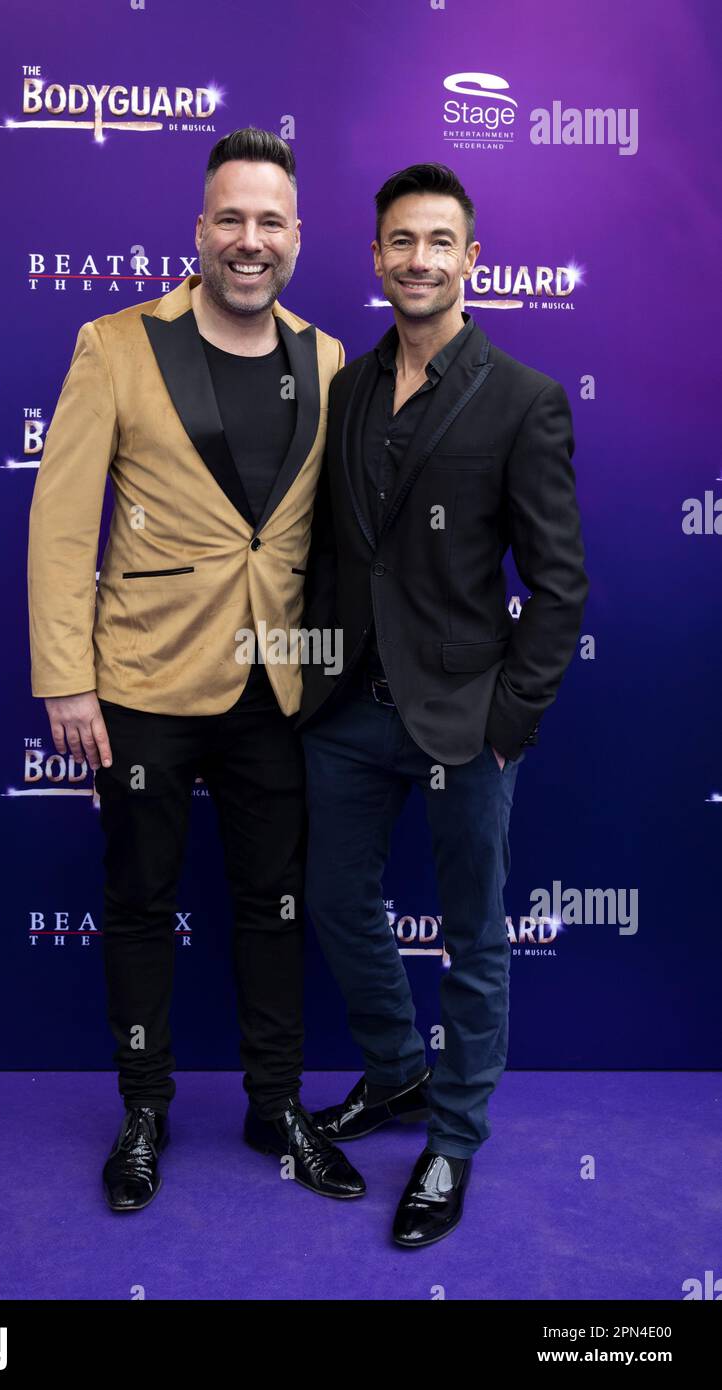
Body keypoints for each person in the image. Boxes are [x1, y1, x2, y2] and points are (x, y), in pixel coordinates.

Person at [27, 127, 364, 1211]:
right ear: (199, 229)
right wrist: (64, 679)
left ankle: (276, 1106)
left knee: (273, 905)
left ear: (297, 237)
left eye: (270, 221)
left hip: (276, 682)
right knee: (139, 899)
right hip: (140, 682)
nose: (248, 239)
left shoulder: (323, 358)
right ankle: (143, 1107)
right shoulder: (115, 343)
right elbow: (60, 523)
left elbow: (313, 541)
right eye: (230, 217)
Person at [297, 162, 590, 1247]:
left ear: (471, 258)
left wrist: (508, 721)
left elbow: (558, 584)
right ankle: (396, 1073)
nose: (416, 260)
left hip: (468, 716)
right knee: (333, 897)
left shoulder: (521, 397)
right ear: (374, 257)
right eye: (397, 242)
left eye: (438, 242)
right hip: (346, 709)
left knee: (472, 935)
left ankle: (453, 1135)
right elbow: (332, 556)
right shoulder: (346, 389)